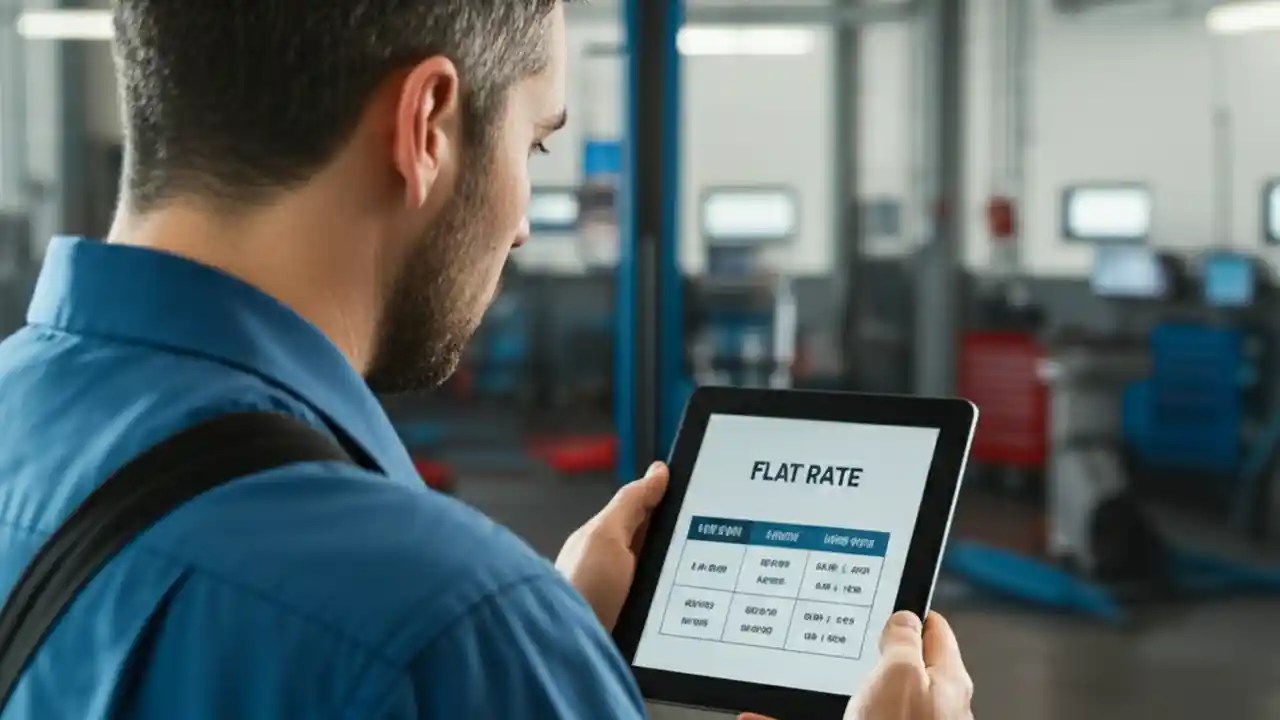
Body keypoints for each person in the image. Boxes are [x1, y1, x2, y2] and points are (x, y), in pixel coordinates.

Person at [0, 1, 975, 718]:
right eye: (534, 147)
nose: (517, 224)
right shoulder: (447, 629)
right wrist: (518, 650)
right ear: (426, 124)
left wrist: (551, 636)